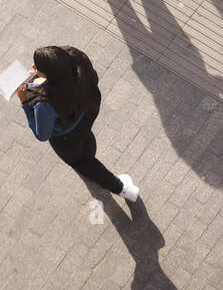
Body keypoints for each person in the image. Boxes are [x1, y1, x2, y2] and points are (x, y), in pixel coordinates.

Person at [13, 45, 140, 202]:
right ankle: (90, 159)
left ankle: (123, 189)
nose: (32, 66)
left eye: (37, 66)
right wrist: (38, 78)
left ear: (50, 74)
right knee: (86, 144)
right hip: (84, 120)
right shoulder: (76, 68)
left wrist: (24, 101)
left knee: (82, 162)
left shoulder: (44, 103)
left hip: (65, 138)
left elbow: (42, 134)